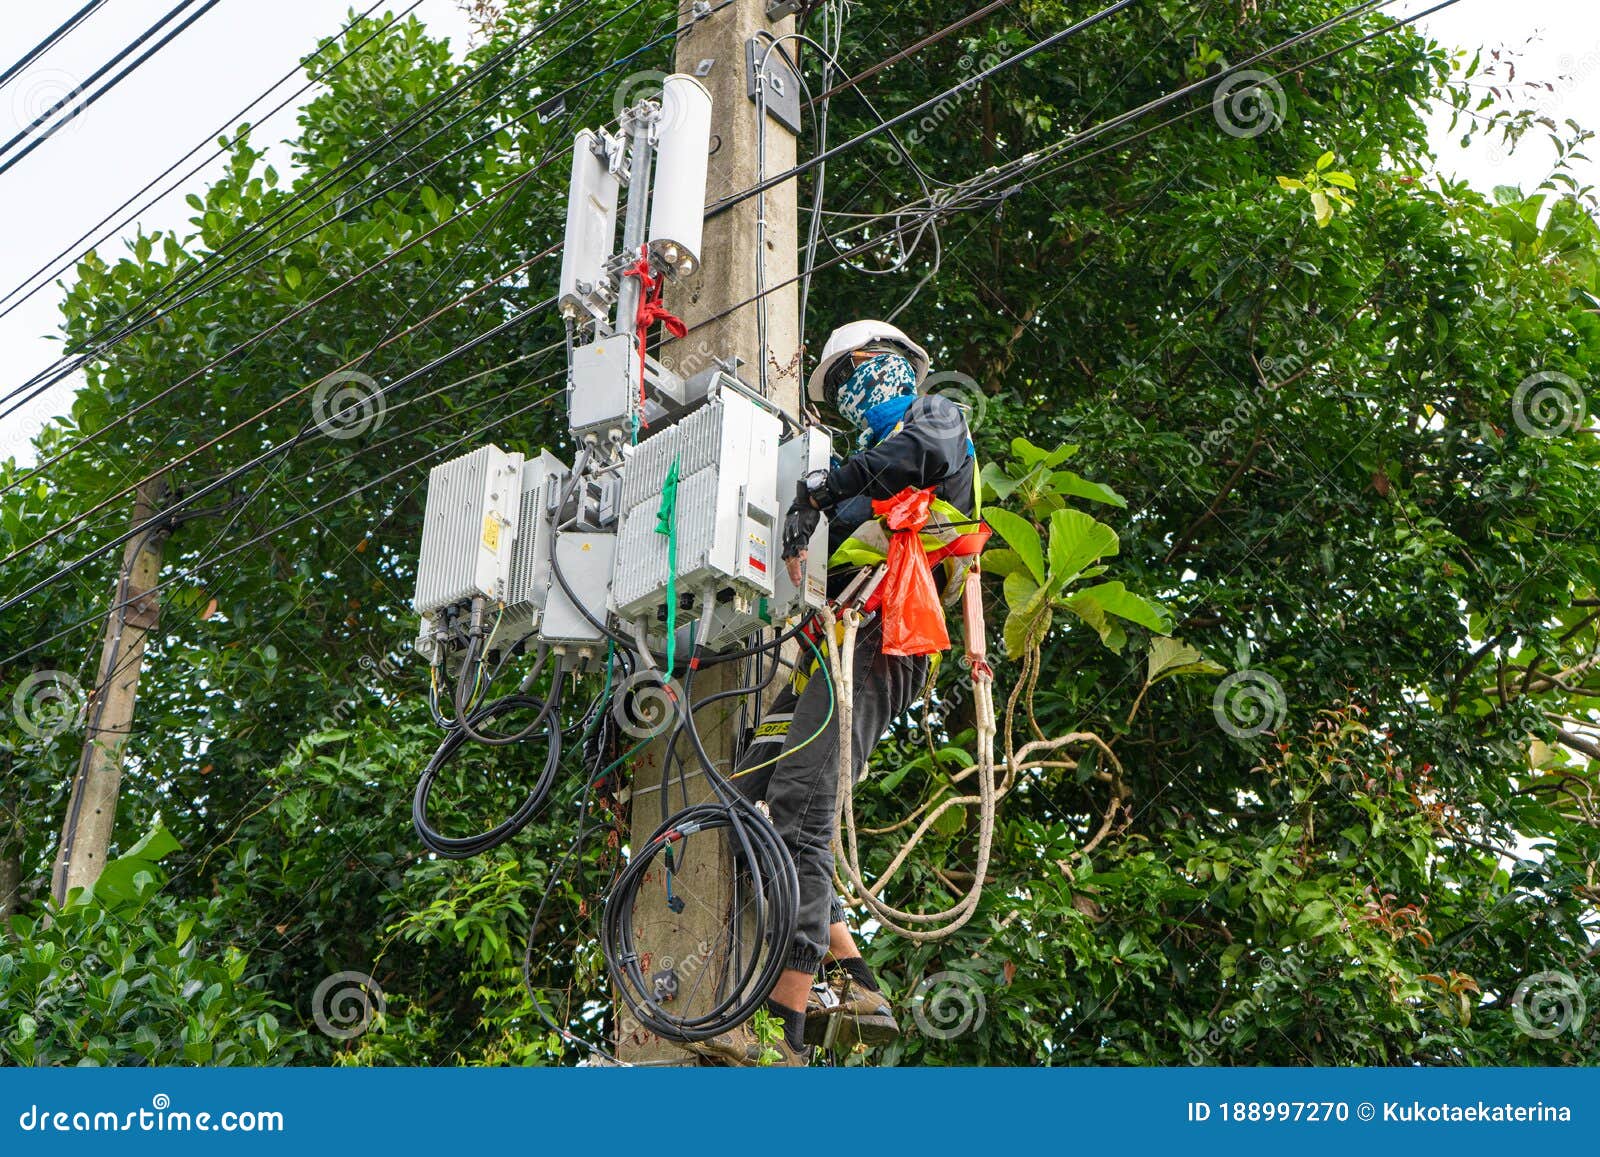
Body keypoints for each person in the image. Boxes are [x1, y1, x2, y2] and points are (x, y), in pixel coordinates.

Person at [688, 321, 977, 1066]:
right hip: (837, 648)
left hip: (889, 638)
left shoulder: (935, 418)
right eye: (841, 382)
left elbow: (925, 457)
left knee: (802, 805)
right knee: (747, 795)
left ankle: (784, 1010)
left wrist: (828, 486)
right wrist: (800, 517)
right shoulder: (865, 468)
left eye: (859, 370)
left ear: (901, 363)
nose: (854, 388)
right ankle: (857, 979)